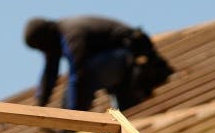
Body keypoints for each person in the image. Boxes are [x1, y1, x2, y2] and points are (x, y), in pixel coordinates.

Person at [23, 16, 173, 115]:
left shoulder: (71, 35)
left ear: (45, 39)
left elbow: (79, 74)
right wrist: (40, 106)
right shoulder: (57, 38)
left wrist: (74, 115)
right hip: (119, 63)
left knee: (83, 78)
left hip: (130, 57)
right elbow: (50, 73)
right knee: (126, 110)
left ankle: (73, 125)